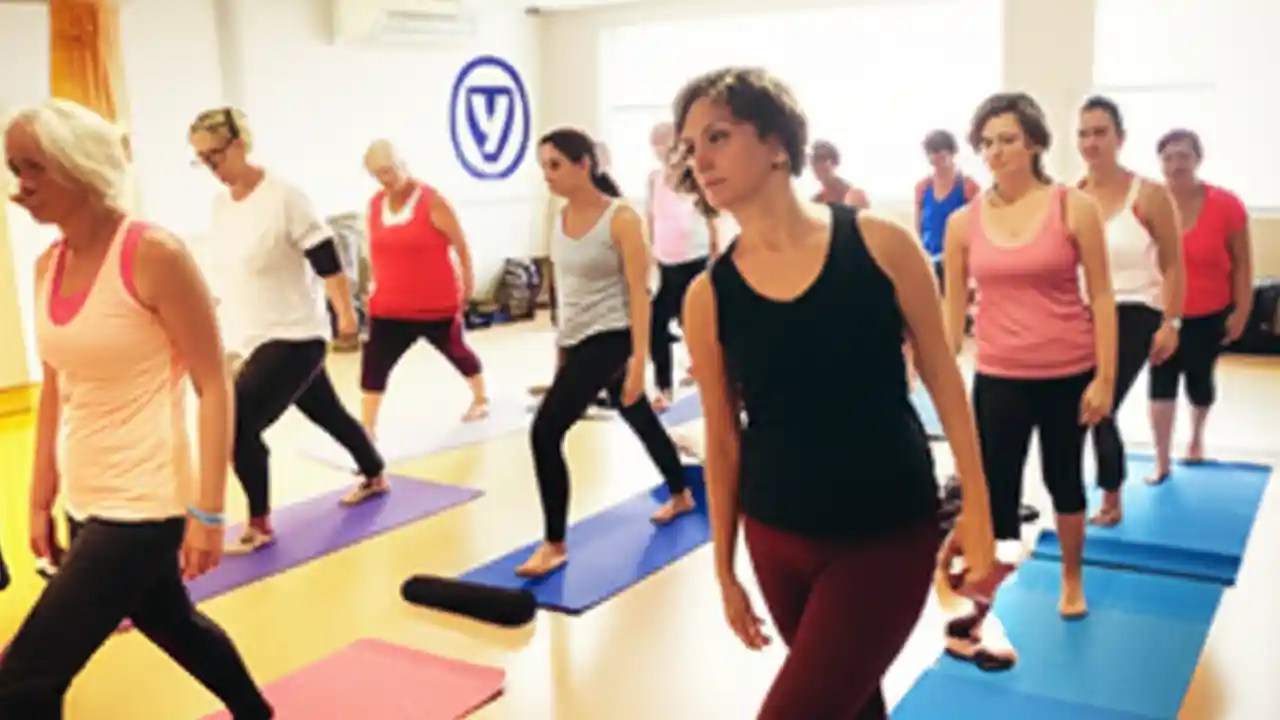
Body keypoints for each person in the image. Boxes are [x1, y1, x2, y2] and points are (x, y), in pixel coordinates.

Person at [675, 67, 995, 719]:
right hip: (775, 541)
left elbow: (941, 374)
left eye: (717, 137)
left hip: (883, 532)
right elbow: (722, 440)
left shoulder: (881, 244)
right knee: (852, 706)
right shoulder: (708, 296)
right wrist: (724, 569)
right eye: (690, 147)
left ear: (777, 145)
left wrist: (980, 504)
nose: (700, 160)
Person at [0, 98, 272, 719]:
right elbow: (55, 389)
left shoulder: (155, 255)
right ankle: (256, 713)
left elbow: (213, 384)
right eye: (15, 169)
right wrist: (40, 496)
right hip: (87, 497)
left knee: (22, 681)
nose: (20, 189)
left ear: (79, 166)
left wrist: (207, 511)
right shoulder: (47, 265)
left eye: (33, 169)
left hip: (144, 505)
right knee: (169, 622)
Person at [943, 92, 1117, 619]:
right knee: (998, 483)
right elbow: (953, 312)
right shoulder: (962, 223)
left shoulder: (1073, 206)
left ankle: (1070, 576)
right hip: (999, 374)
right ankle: (994, 579)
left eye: (1008, 139)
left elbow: (1104, 296)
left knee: (1063, 476)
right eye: (987, 142)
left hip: (1067, 370)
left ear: (1035, 143)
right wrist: (936, 370)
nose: (995, 151)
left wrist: (1105, 378)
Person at [188, 107, 387, 549]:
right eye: (201, 160)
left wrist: (346, 314)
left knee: (236, 424)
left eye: (214, 156)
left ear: (239, 145)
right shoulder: (220, 207)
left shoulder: (284, 197)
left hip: (296, 337)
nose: (210, 168)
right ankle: (374, 472)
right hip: (252, 337)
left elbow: (324, 255)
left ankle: (259, 524)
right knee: (327, 413)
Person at [516, 128, 695, 578]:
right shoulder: (557, 219)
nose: (547, 176)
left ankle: (554, 544)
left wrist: (639, 360)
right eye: (543, 167)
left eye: (555, 165)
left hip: (613, 336)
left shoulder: (621, 219)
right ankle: (681, 492)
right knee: (636, 415)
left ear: (585, 164)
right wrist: (560, 349)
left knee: (545, 432)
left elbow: (640, 293)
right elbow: (566, 292)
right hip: (577, 338)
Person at [1076, 96, 1184, 522]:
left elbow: (1174, 263)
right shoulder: (1073, 196)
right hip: (1084, 313)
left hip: (1135, 310)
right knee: (1078, 408)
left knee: (1101, 404)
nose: (1092, 141)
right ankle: (1087, 493)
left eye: (1101, 132)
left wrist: (1171, 322)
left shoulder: (1149, 195)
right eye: (1084, 133)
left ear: (1119, 138)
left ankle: (1111, 498)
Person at [360, 139, 489, 433]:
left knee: (457, 351)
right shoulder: (375, 205)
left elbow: (461, 247)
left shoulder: (432, 201)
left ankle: (480, 398)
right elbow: (376, 251)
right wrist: (373, 286)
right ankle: (368, 428)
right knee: (374, 364)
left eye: (388, 172)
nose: (384, 180)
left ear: (402, 165)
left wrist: (467, 288)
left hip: (435, 304)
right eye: (377, 174)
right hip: (388, 305)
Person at [1149, 128, 1252, 480]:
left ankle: (1195, 437)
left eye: (1183, 156)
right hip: (1162, 315)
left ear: (1197, 159)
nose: (1176, 164)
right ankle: (1161, 459)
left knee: (1199, 383)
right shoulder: (1149, 202)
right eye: (1168, 157)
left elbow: (1243, 262)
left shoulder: (1226, 205)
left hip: (1210, 313)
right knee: (1160, 384)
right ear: (1160, 163)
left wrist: (1242, 310)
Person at [645, 121, 719, 410]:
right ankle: (664, 385)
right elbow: (651, 215)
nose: (662, 152)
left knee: (695, 324)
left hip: (694, 259)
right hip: (666, 261)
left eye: (666, 145)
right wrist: (650, 251)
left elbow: (711, 215)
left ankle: (706, 373)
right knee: (656, 323)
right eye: (656, 146)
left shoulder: (694, 177)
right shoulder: (654, 179)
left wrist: (715, 251)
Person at [915, 129, 981, 289]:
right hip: (930, 260)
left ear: (952, 152)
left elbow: (979, 228)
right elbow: (919, 227)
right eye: (931, 152)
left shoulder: (968, 186)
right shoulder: (923, 187)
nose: (936, 157)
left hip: (959, 261)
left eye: (940, 151)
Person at [808, 140, 868, 208]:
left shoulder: (855, 195)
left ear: (834, 162)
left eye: (821, 158)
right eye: (813, 160)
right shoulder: (816, 201)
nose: (816, 165)